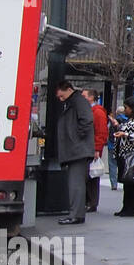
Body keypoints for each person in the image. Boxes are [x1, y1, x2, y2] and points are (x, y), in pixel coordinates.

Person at [53, 80, 96, 226]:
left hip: (78, 149)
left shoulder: (78, 101)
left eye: (61, 96)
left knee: (75, 183)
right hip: (77, 149)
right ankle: (76, 213)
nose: (60, 99)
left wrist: (76, 137)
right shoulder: (75, 101)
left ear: (68, 89)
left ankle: (76, 214)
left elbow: (87, 120)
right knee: (75, 183)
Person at [83, 89, 109, 212]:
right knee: (89, 176)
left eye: (84, 96)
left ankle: (91, 202)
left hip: (92, 148)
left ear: (91, 97)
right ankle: (89, 201)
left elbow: (101, 131)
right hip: (89, 147)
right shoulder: (93, 111)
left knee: (92, 176)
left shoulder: (97, 112)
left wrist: (97, 148)